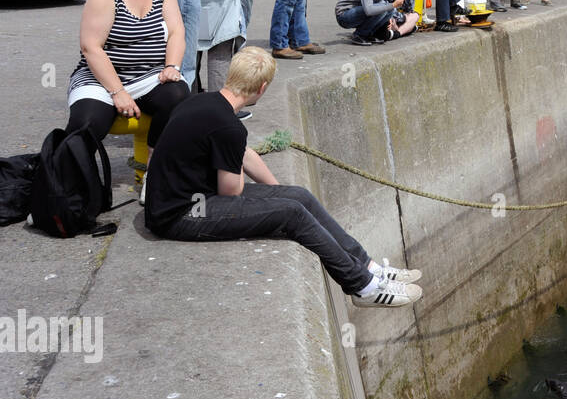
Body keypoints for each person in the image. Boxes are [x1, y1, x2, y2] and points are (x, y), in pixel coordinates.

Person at [144, 46, 424, 308]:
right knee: (291, 213)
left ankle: (369, 266)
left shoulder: (204, 103)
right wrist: (277, 207)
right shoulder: (229, 126)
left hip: (183, 199)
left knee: (297, 197)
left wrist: (278, 194)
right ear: (262, 88)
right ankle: (363, 287)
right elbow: (231, 190)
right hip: (180, 215)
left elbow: (244, 153)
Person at [65, 0, 191, 160]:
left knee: (179, 96)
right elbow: (91, 47)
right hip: (101, 80)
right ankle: (67, 184)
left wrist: (172, 66)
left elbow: (176, 32)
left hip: (149, 75)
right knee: (87, 123)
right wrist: (118, 92)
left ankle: (155, 167)